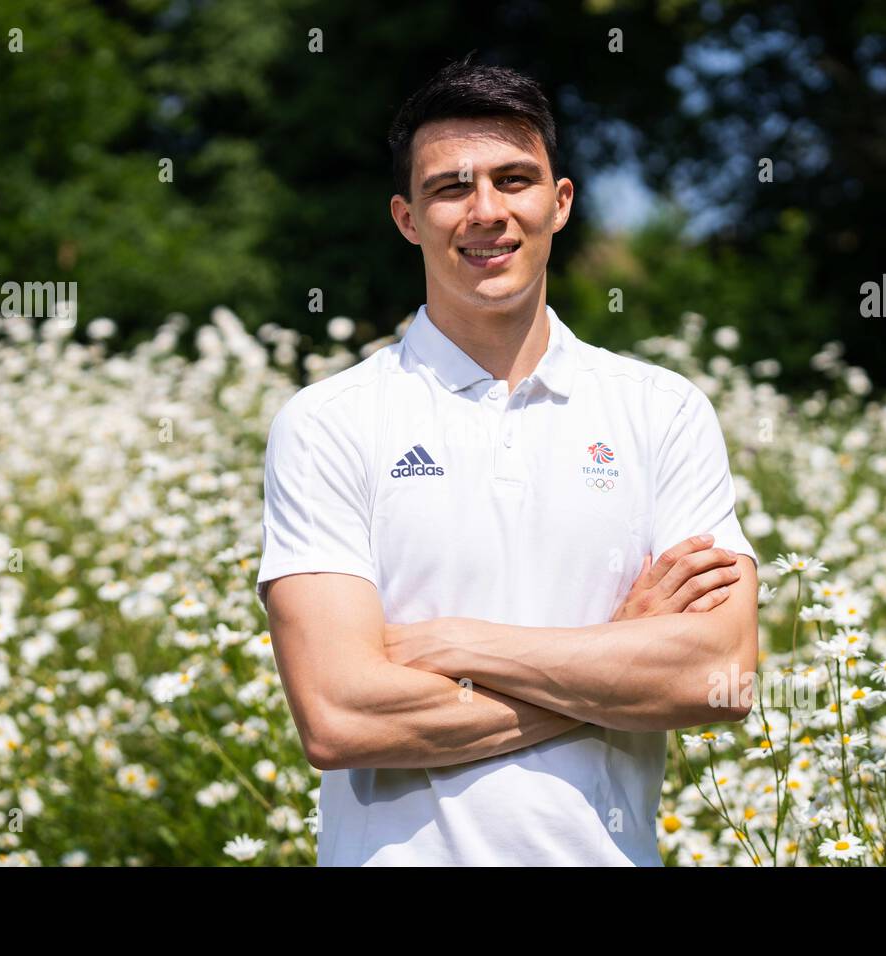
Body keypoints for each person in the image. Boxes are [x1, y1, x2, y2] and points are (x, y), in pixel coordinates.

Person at [256, 52, 758, 866]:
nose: (485, 211)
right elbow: (341, 717)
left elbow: (721, 675)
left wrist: (459, 644)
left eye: (513, 180)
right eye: (450, 187)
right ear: (406, 218)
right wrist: (614, 657)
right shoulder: (327, 422)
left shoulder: (661, 411)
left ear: (559, 203)